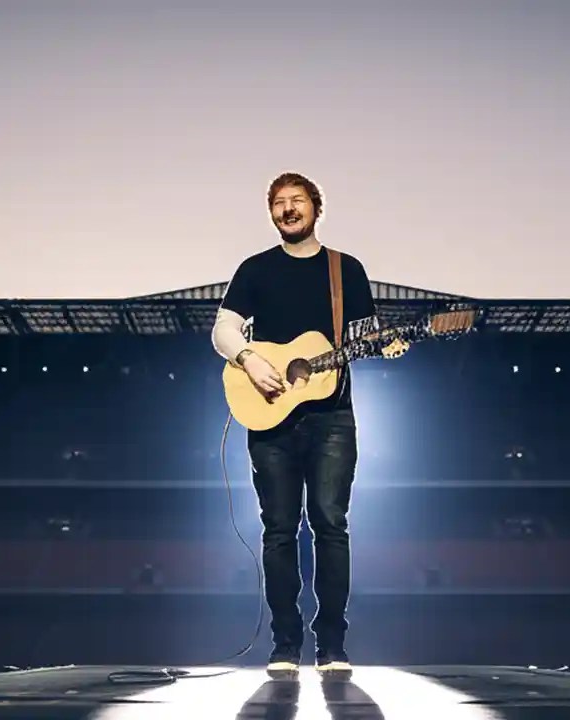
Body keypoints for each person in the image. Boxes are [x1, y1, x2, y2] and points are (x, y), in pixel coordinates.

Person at [212, 172, 395, 679]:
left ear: (316, 207)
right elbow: (224, 328)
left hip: (331, 414)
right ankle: (285, 645)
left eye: (297, 200)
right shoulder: (255, 268)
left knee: (331, 525)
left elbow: (365, 336)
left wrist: (386, 342)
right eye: (279, 203)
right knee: (278, 529)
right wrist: (249, 359)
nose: (288, 209)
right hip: (270, 414)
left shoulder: (345, 270)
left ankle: (332, 645)